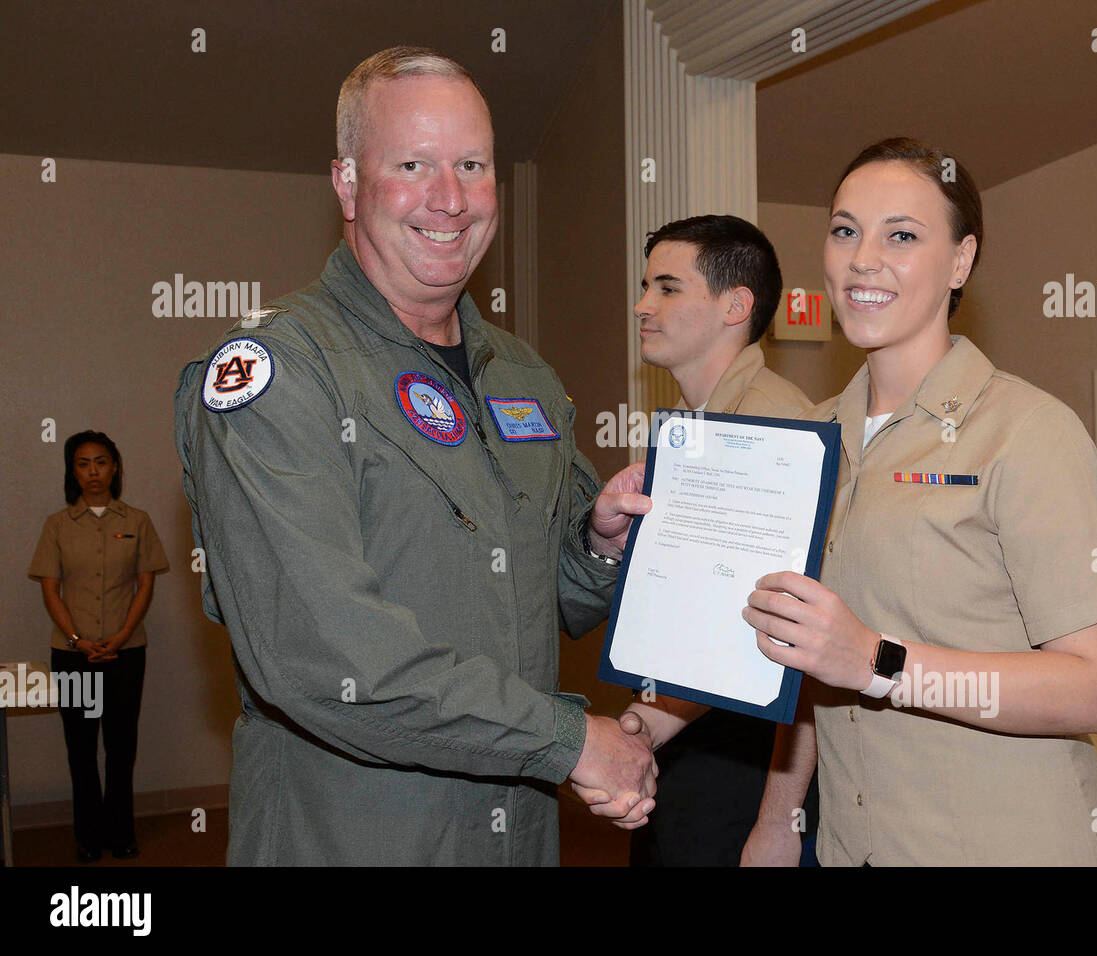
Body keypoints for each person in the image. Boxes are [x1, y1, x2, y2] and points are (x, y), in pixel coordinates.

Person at [173, 46, 653, 866]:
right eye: (413, 165)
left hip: (514, 833)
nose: (451, 199)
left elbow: (546, 602)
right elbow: (324, 656)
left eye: (472, 164)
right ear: (349, 185)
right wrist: (571, 741)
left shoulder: (524, 374)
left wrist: (596, 546)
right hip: (355, 836)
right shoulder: (276, 375)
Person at [737, 138, 1097, 865]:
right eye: (844, 230)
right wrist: (777, 820)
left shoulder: (1026, 433)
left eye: (901, 235)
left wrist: (878, 661)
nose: (864, 258)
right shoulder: (808, 441)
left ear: (960, 261)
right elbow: (807, 658)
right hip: (852, 848)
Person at [574, 214, 817, 865]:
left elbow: (798, 654)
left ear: (735, 305)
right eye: (646, 285)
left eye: (668, 288)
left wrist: (778, 823)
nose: (642, 305)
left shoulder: (776, 433)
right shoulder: (695, 431)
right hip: (692, 746)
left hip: (745, 763)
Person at [28, 431, 169, 862]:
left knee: (122, 746)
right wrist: (77, 640)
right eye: (83, 464)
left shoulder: (137, 521)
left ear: (115, 467)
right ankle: (88, 837)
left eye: (101, 462)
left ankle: (121, 833)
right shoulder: (57, 524)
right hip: (73, 657)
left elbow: (145, 585)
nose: (93, 472)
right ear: (73, 471)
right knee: (81, 746)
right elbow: (51, 591)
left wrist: (123, 636)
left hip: (126, 654)